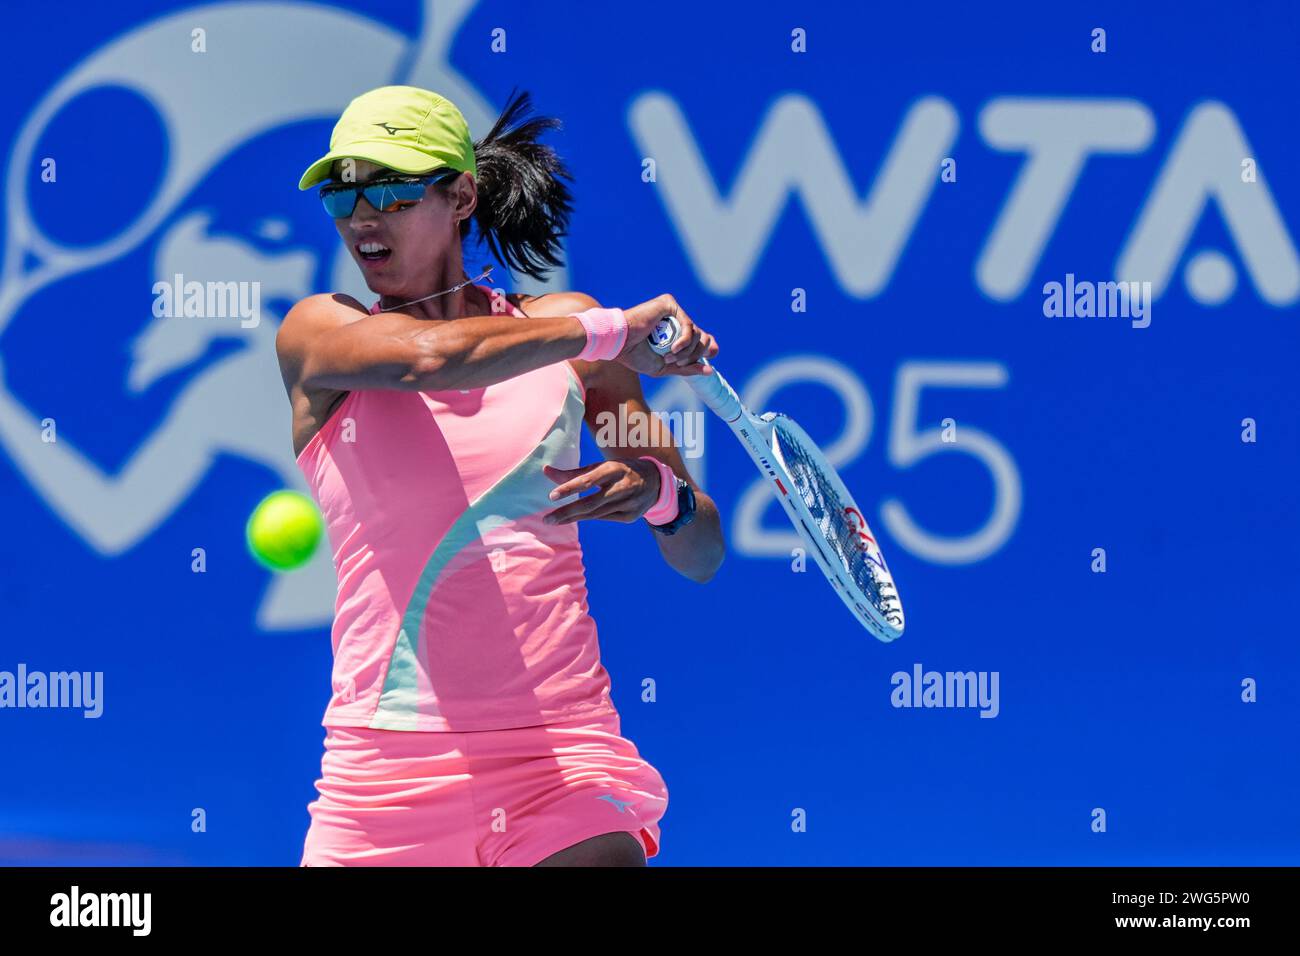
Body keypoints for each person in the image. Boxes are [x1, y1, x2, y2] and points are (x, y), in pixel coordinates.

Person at [277, 85, 726, 866]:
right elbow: (427, 361)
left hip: (563, 760)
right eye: (343, 191)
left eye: (389, 186)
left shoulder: (574, 347)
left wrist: (658, 497)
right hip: (384, 781)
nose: (361, 215)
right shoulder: (320, 333)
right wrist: (614, 331)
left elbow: (702, 552)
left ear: (460, 196)